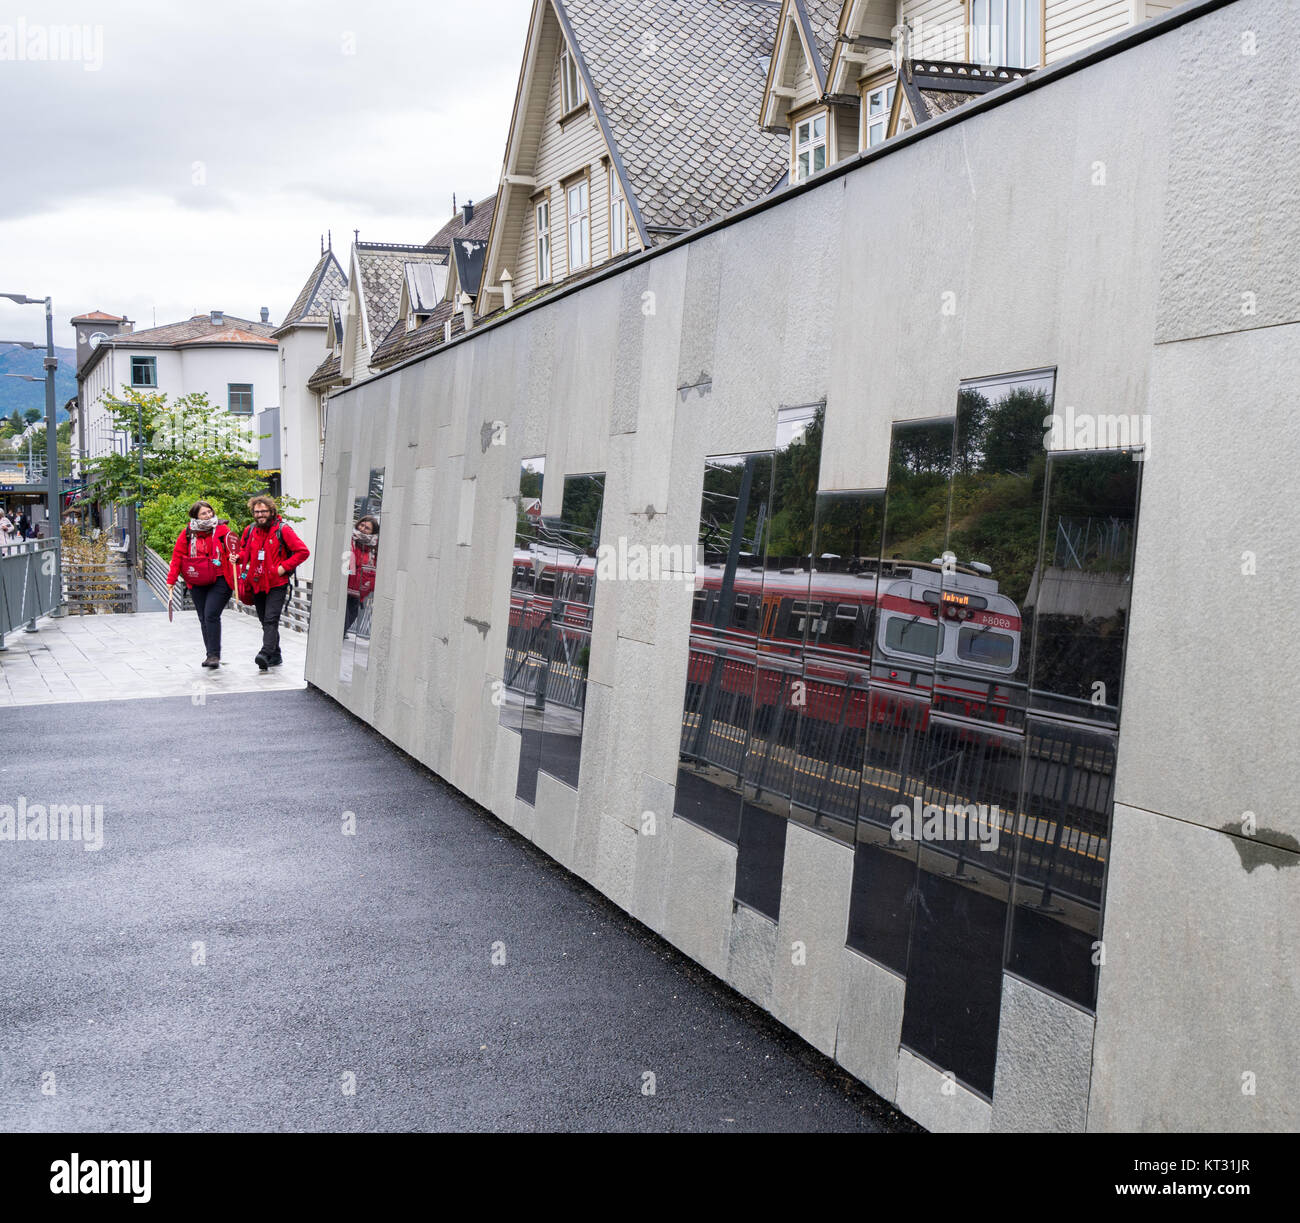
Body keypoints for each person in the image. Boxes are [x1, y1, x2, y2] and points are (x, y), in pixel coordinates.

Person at [236, 494, 309, 671]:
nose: (260, 515)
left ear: (271, 511)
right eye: (257, 512)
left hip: (277, 583)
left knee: (271, 619)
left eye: (264, 511)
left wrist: (283, 567)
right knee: (264, 620)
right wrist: (237, 557)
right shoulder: (250, 530)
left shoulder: (283, 529)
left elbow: (302, 551)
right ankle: (276, 655)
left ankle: (265, 652)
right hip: (256, 581)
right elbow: (245, 552)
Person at [166, 501, 236, 668]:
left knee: (211, 614)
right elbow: (177, 557)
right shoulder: (188, 533)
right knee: (203, 617)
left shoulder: (222, 530)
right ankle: (210, 653)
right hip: (197, 578)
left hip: (220, 578)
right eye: (204, 513)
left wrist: (236, 557)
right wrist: (171, 580)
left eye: (210, 512)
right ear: (195, 516)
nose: (209, 516)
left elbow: (235, 550)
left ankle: (214, 656)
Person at [344, 515, 380, 638]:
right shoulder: (349, 540)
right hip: (343, 589)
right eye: (362, 525)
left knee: (349, 620)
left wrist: (368, 586)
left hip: (359, 593)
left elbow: (375, 571)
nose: (363, 529)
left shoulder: (374, 549)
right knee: (342, 624)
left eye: (367, 528)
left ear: (373, 532)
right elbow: (346, 565)